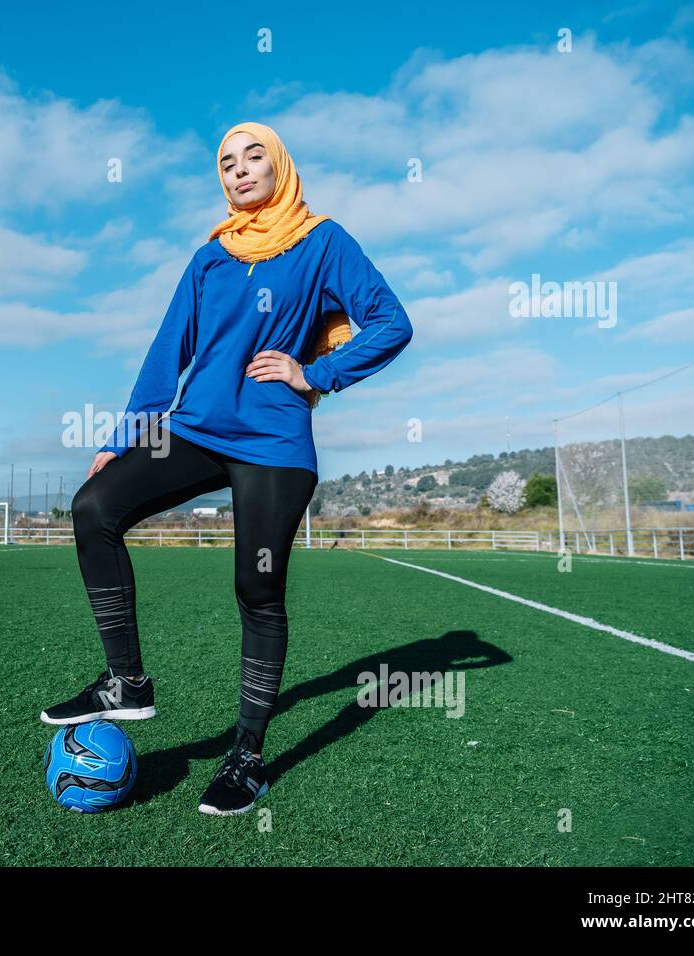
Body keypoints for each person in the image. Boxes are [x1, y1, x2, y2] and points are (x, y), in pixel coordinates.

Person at [40, 121, 414, 815]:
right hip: (195, 429)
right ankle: (126, 681)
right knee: (94, 507)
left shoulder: (321, 240)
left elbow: (391, 322)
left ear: (278, 166)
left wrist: (316, 373)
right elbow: (167, 348)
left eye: (253, 158)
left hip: (273, 442)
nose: (239, 171)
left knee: (257, 587)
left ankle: (246, 758)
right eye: (226, 163)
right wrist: (127, 434)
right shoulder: (211, 255)